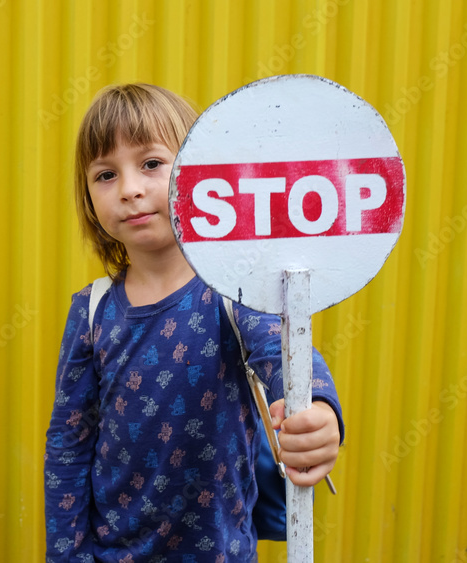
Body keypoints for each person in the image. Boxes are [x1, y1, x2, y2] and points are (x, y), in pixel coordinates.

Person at [43, 83, 344, 562]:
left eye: (151, 164)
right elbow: (68, 443)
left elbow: (283, 356)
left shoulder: (236, 294)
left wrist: (319, 413)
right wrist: (67, 556)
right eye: (105, 174)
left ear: (200, 172)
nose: (130, 189)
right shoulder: (92, 310)